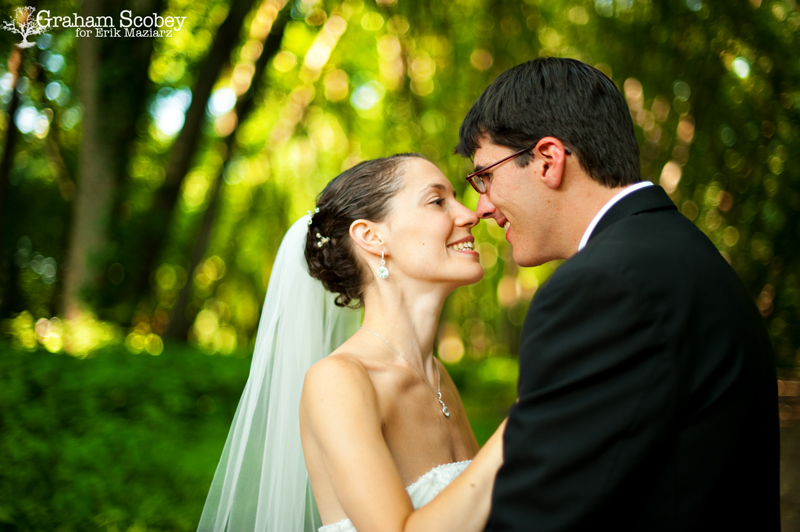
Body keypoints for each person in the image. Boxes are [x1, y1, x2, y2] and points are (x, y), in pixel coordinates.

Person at [454, 57, 779, 531]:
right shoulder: (683, 251)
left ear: (548, 160)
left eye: (485, 176)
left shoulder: (602, 287)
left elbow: (536, 517)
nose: (481, 206)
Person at [198, 153, 505, 532]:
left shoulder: (437, 377)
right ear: (371, 237)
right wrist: (517, 432)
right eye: (438, 201)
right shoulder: (339, 380)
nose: (470, 215)